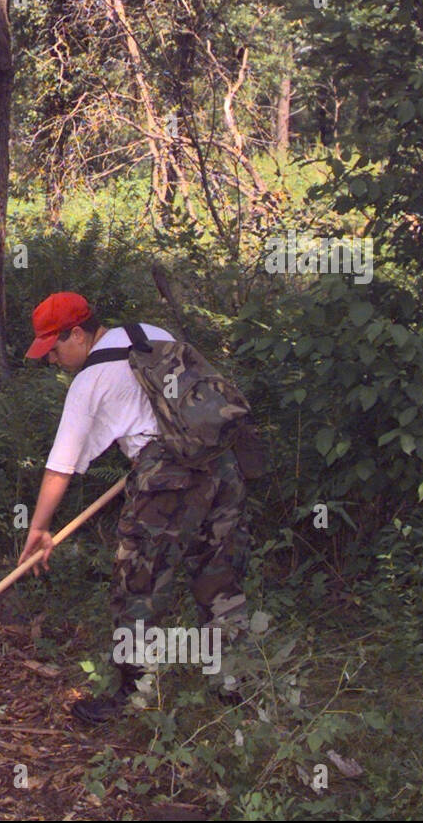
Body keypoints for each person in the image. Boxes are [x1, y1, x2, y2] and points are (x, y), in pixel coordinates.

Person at [17, 292, 251, 723]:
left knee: (137, 587)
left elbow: (60, 468)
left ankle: (133, 696)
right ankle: (233, 685)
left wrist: (39, 529)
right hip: (221, 467)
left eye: (54, 349)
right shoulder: (149, 335)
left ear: (77, 333)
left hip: (167, 482)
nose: (51, 360)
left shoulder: (90, 382)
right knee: (219, 575)